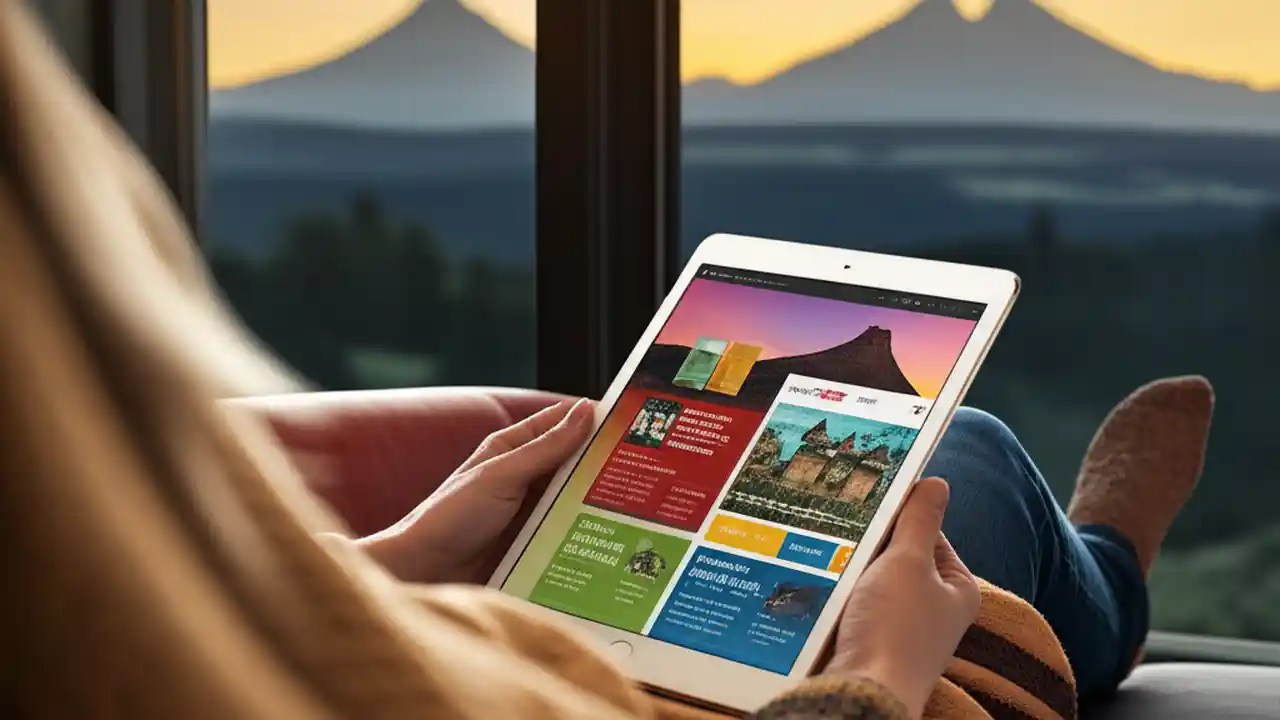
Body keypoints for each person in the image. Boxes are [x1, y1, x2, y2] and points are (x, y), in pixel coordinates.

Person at [1, 3, 1211, 718]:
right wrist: (877, 678)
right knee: (966, 460)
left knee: (899, 467)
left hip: (494, 657)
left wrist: (396, 562)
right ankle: (1109, 570)